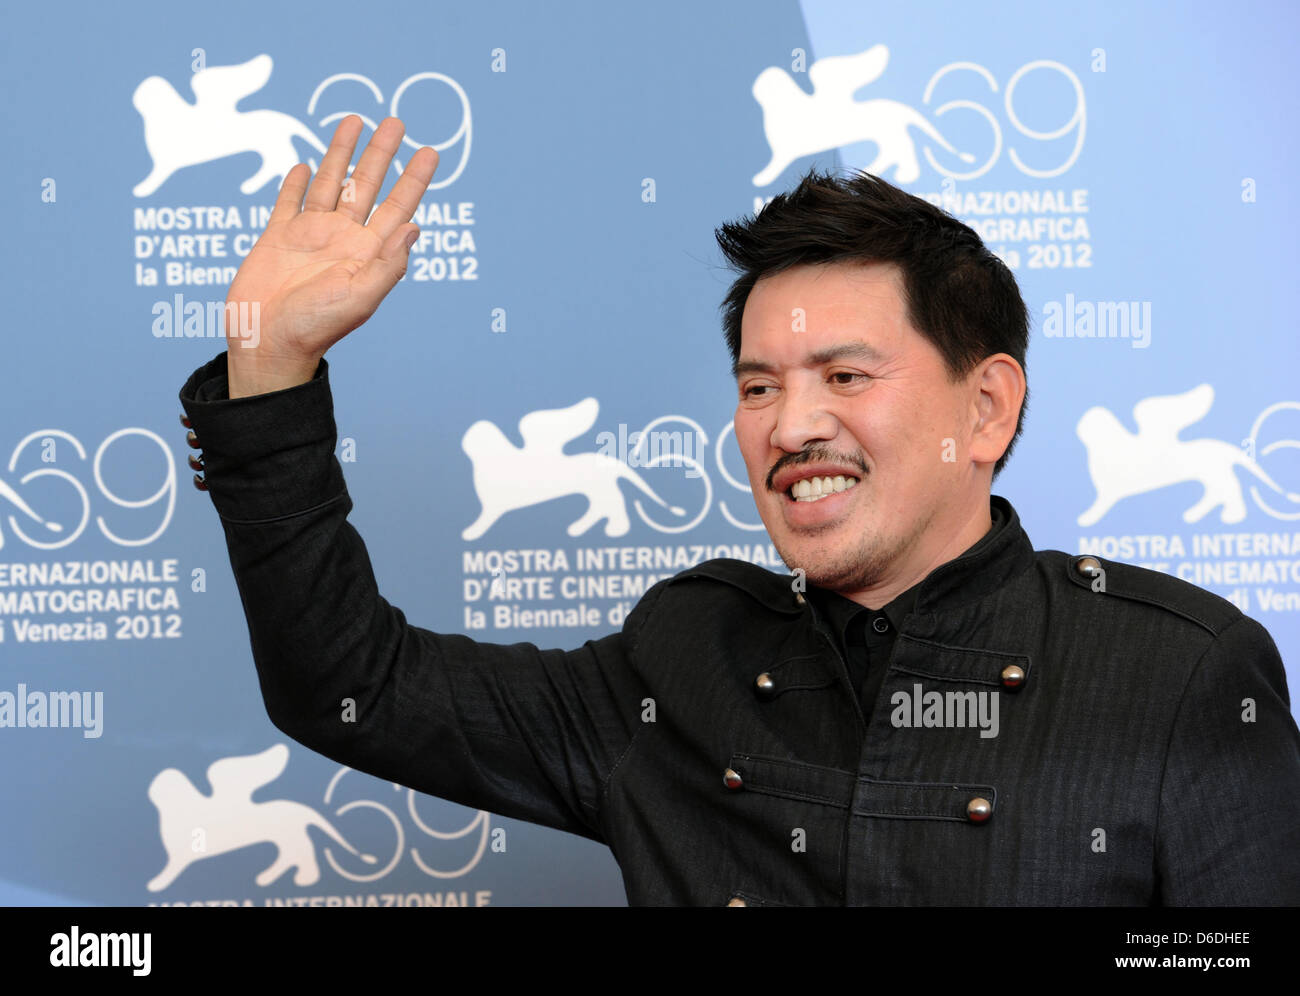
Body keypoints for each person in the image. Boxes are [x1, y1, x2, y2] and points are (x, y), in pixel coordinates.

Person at [179, 114, 1300, 906]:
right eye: (758, 385)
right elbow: (351, 687)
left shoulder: (1178, 677)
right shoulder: (681, 665)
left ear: (989, 405)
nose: (790, 425)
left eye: (845, 378)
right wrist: (266, 366)